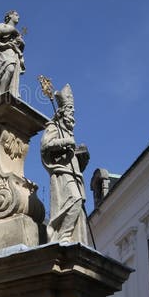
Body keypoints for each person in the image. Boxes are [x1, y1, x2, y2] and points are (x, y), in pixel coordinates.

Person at [40, 84, 89, 244]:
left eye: (73, 113)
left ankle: (69, 236)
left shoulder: (68, 131)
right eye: (70, 112)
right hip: (62, 172)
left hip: (74, 173)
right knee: (75, 199)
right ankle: (63, 236)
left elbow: (71, 156)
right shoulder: (54, 127)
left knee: (78, 203)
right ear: (62, 112)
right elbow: (45, 145)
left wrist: (82, 157)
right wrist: (65, 142)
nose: (72, 116)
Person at [0, 10, 25, 98]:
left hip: (13, 53)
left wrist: (20, 42)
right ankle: (1, 93)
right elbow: (1, 31)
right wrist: (14, 31)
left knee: (11, 70)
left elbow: (21, 45)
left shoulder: (15, 33)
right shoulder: (2, 25)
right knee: (9, 69)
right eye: (16, 15)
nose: (18, 17)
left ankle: (4, 92)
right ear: (10, 16)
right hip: (4, 52)